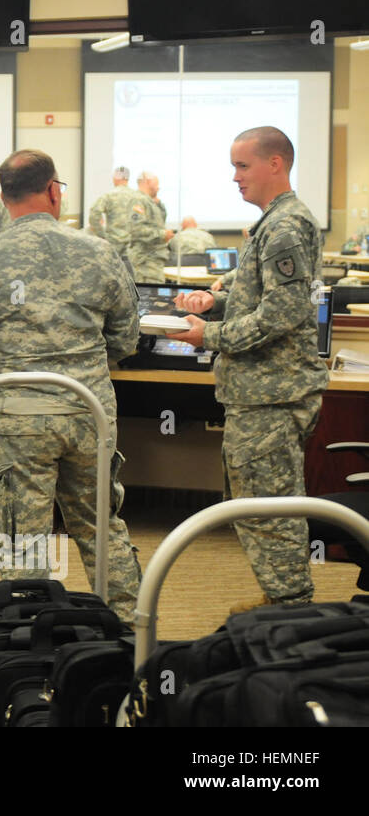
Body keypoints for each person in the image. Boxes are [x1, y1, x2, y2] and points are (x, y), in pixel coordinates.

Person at [0, 149, 143, 624]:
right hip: (89, 415)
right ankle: (131, 638)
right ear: (54, 191)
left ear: (4, 199)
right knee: (101, 528)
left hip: (18, 419)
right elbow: (127, 340)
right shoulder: (100, 252)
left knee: (21, 541)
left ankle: (34, 647)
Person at [170, 126, 326, 611]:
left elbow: (282, 314)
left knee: (268, 509)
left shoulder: (282, 227)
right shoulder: (276, 222)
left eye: (243, 166)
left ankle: (291, 610)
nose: (235, 177)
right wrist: (212, 299)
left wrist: (207, 336)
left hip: (272, 396)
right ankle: (282, 599)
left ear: (275, 163)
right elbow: (255, 288)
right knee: (258, 502)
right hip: (262, 394)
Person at [87, 168, 161, 271]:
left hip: (114, 247)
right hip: (134, 250)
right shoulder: (137, 196)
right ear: (127, 178)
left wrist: (102, 236)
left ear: (115, 178)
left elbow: (94, 215)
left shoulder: (109, 196)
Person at [127, 172, 174, 282]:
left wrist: (159, 205)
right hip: (146, 260)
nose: (158, 188)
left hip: (153, 258)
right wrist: (162, 234)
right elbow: (136, 229)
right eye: (156, 184)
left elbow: (159, 222)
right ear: (147, 182)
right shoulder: (138, 200)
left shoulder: (149, 201)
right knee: (151, 295)